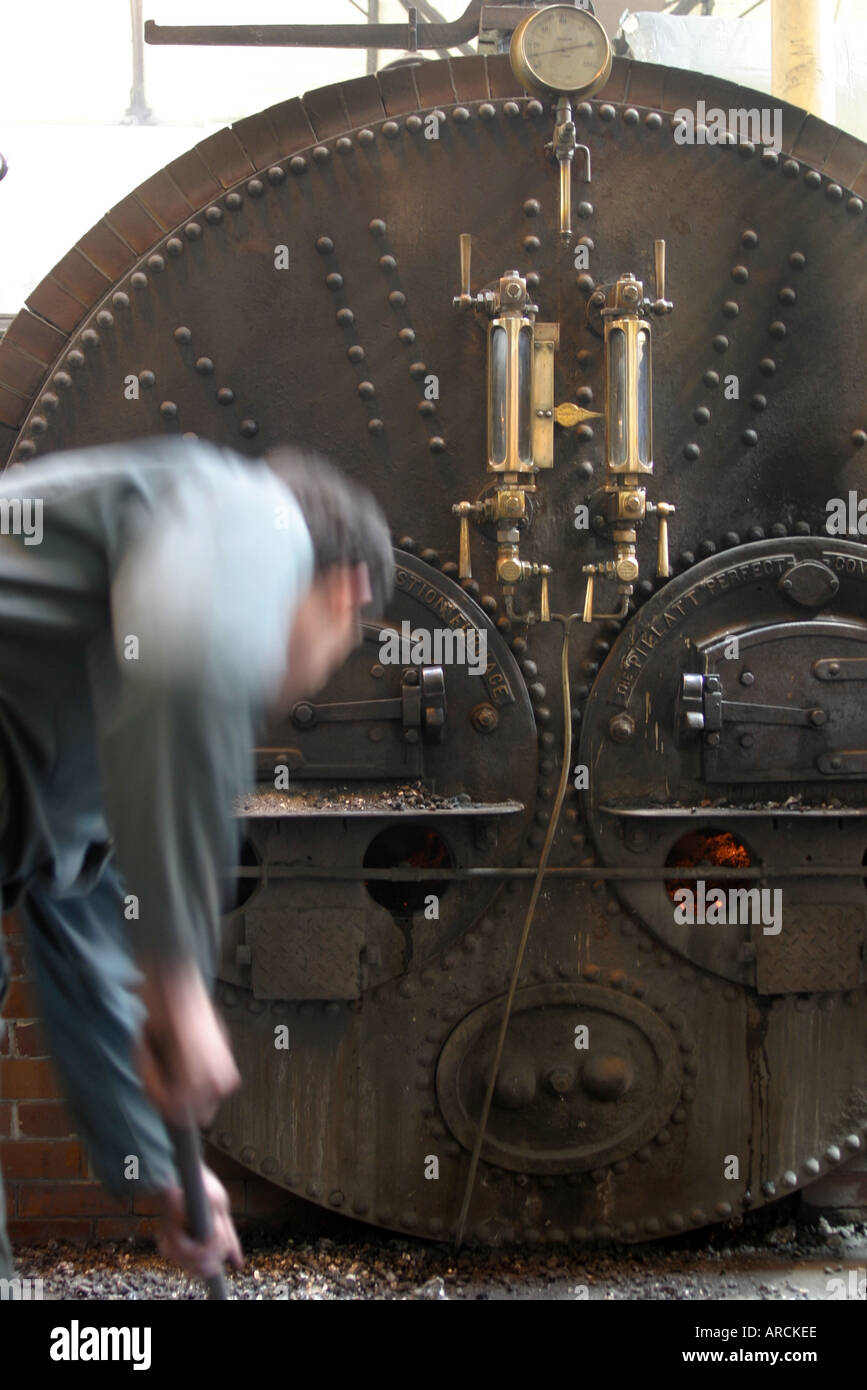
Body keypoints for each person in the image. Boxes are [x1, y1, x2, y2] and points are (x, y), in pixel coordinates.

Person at [0, 436, 393, 1282]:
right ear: (344, 592)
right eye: (351, 638)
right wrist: (180, 982)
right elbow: (187, 661)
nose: (322, 677)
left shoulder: (92, 681)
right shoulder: (253, 511)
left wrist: (162, 1171)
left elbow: (82, 910)